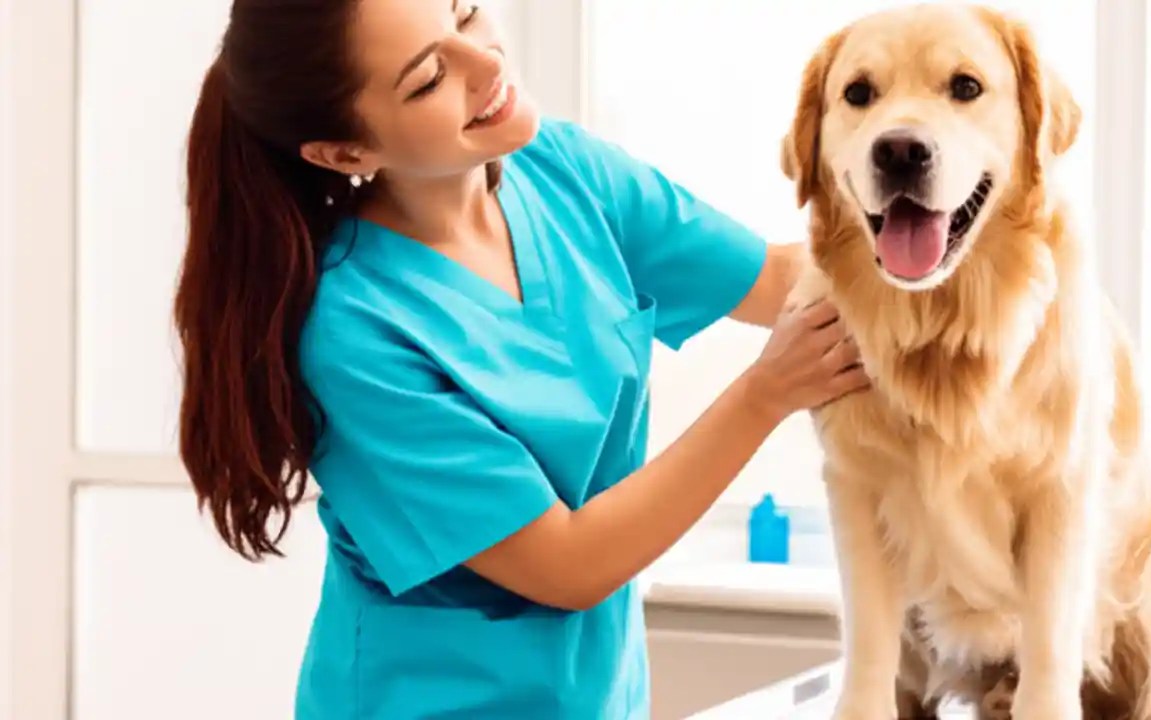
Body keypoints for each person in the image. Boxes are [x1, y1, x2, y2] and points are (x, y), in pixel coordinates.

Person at [174, 0, 870, 718]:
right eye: (429, 78)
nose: (486, 65)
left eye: (465, 13)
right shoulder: (352, 331)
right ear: (348, 153)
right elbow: (569, 566)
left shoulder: (563, 171)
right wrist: (765, 394)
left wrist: (960, 240)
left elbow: (779, 281)